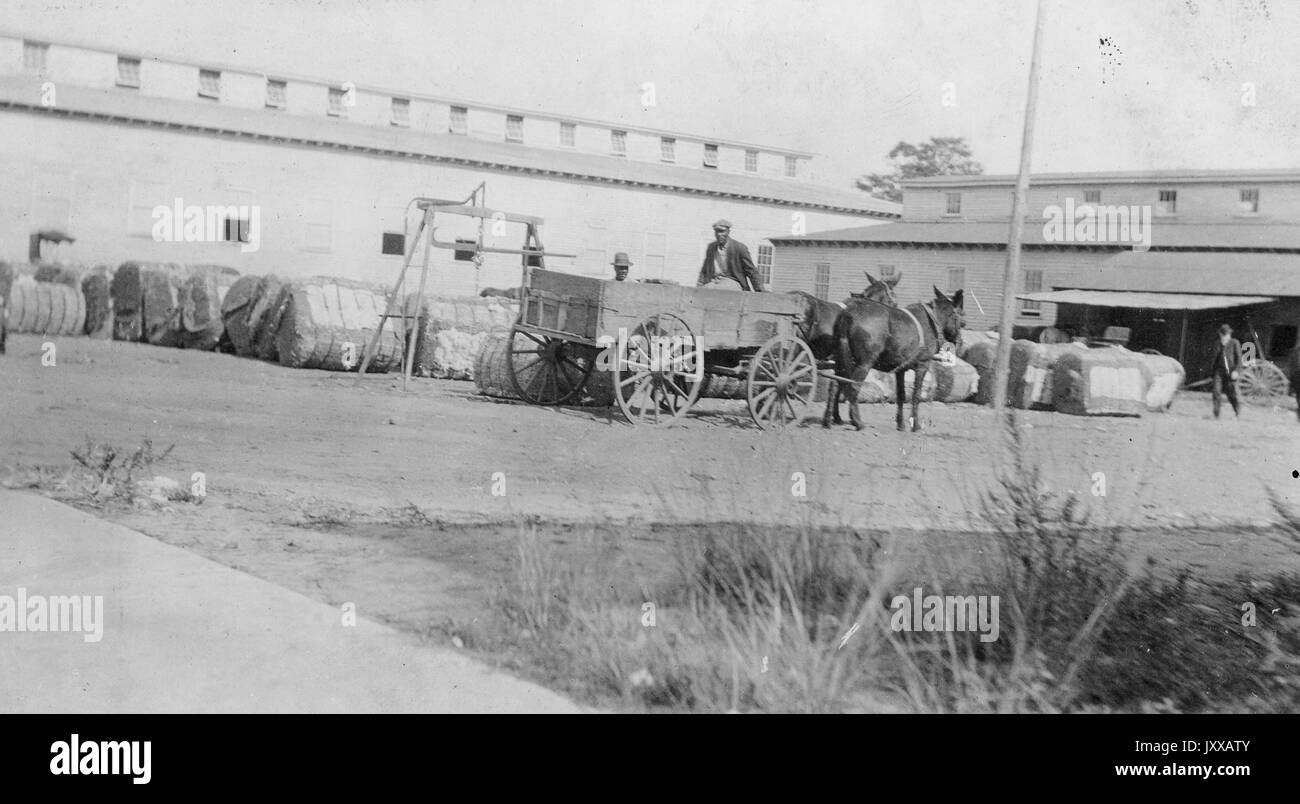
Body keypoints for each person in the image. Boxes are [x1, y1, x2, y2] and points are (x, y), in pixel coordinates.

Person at [696, 219, 764, 291]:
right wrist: (699, 285)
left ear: (728, 232)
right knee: (704, 290)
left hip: (733, 282)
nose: (719, 234)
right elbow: (704, 269)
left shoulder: (739, 248)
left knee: (720, 290)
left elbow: (751, 270)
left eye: (722, 231)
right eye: (717, 231)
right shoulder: (711, 247)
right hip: (714, 281)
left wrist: (760, 290)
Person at [1210, 323, 1242, 418]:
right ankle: (1216, 414)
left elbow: (1239, 360)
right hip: (1219, 372)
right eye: (1223, 335)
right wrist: (1212, 373)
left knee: (1231, 394)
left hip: (1231, 372)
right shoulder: (1217, 344)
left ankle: (1237, 412)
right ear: (1220, 334)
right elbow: (1213, 360)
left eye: (1227, 334)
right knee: (1216, 392)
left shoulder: (1234, 343)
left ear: (1229, 334)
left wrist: (1236, 371)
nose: (1225, 337)